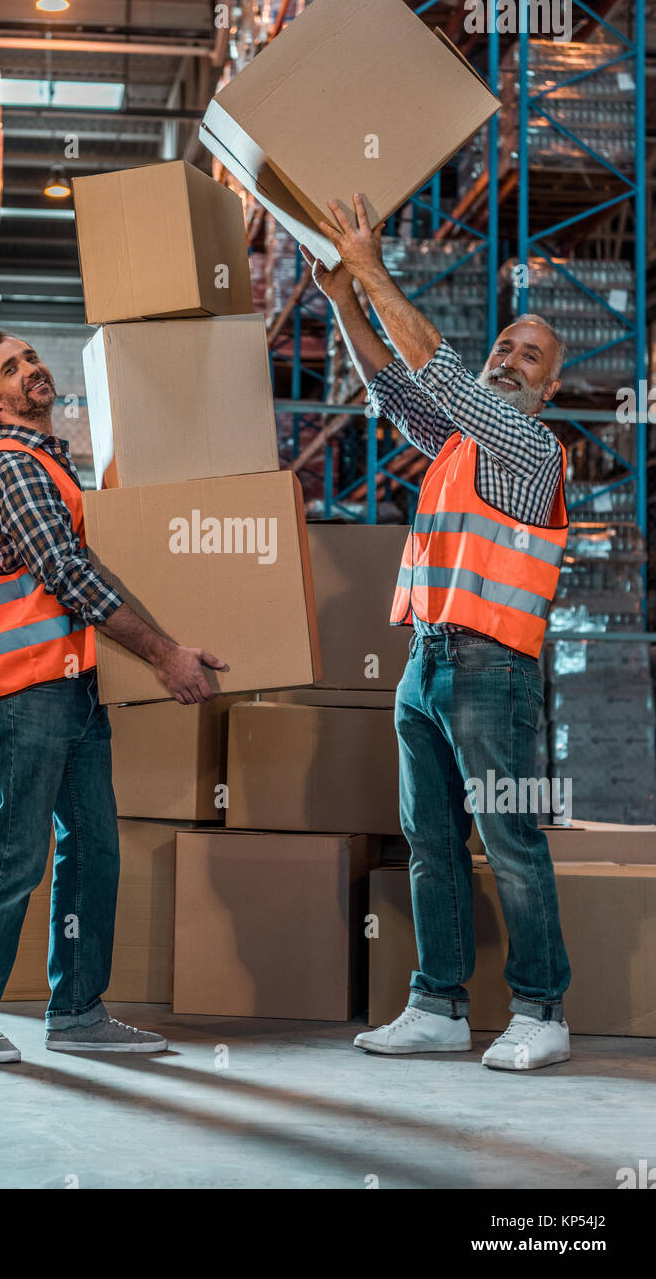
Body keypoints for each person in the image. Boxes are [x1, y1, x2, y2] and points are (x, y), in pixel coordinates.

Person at [304, 194, 571, 1072]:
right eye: (503, 344)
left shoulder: (531, 450)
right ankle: (439, 1004)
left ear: (548, 384)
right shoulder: (459, 444)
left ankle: (539, 1011)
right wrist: (343, 299)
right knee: (429, 841)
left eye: (526, 354)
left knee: (510, 841)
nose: (507, 357)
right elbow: (395, 385)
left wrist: (372, 267)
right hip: (425, 664)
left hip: (493, 671)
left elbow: (442, 374)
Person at [0, 330, 225, 1064]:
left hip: (77, 693)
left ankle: (77, 1011)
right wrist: (164, 656)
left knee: (94, 851)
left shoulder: (56, 468)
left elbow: (96, 568)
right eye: (11, 368)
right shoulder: (13, 469)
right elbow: (69, 573)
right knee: (16, 850)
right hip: (29, 694)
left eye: (31, 358)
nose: (30, 369)